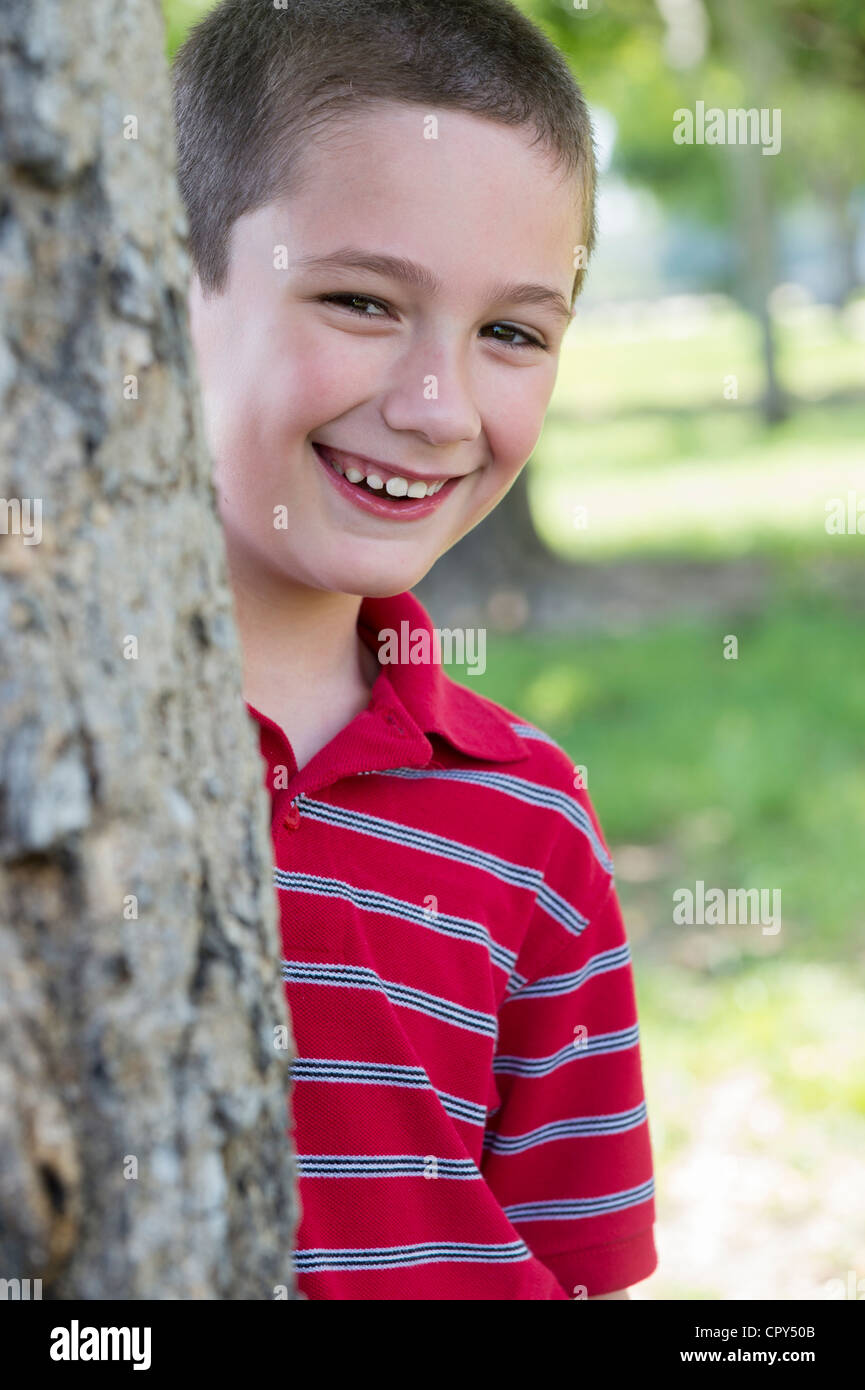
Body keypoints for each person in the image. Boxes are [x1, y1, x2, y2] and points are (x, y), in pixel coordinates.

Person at [174, 0, 657, 1300]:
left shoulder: (527, 816)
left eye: (511, 333)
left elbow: (579, 1263)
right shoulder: (59, 748)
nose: (437, 408)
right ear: (163, 287)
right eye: (361, 300)